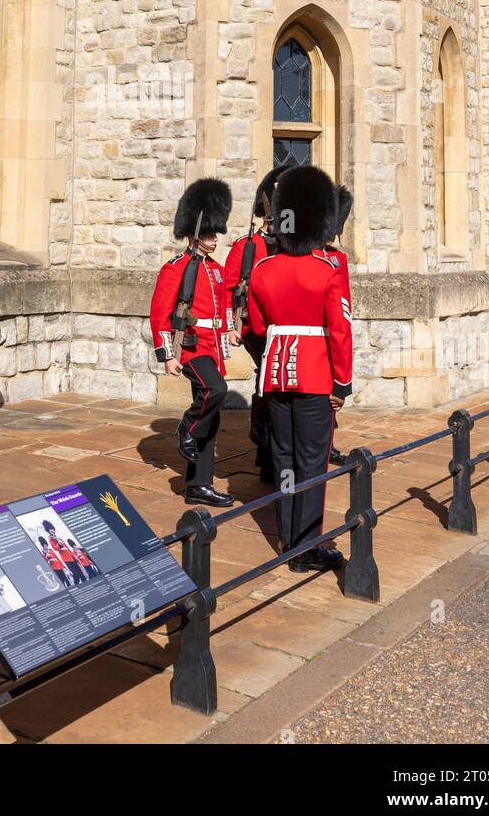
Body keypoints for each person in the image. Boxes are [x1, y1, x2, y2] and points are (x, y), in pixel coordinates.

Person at [247, 165, 353, 571]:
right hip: (313, 375)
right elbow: (339, 332)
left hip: (274, 375)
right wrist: (341, 383)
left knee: (284, 459)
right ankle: (306, 547)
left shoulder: (262, 270)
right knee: (312, 461)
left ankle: (287, 537)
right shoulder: (326, 272)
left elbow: (257, 326)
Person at [149, 177, 236, 509]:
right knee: (216, 391)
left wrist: (231, 329)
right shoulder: (176, 268)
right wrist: (168, 356)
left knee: (212, 417)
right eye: (210, 233)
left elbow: (224, 305)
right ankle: (186, 427)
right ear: (193, 233)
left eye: (216, 234)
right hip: (191, 346)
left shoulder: (216, 269)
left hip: (213, 346)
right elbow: (160, 314)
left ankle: (199, 484)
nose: (214, 240)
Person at [224, 165, 291, 484]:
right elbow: (230, 288)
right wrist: (232, 326)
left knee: (281, 387)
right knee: (269, 383)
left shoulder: (292, 245)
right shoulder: (246, 247)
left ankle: (273, 453)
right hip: (257, 328)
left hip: (287, 326)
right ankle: (264, 442)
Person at [326, 185, 353, 467]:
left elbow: (342, 305)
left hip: (329, 333)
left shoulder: (336, 257)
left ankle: (328, 444)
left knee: (329, 397)